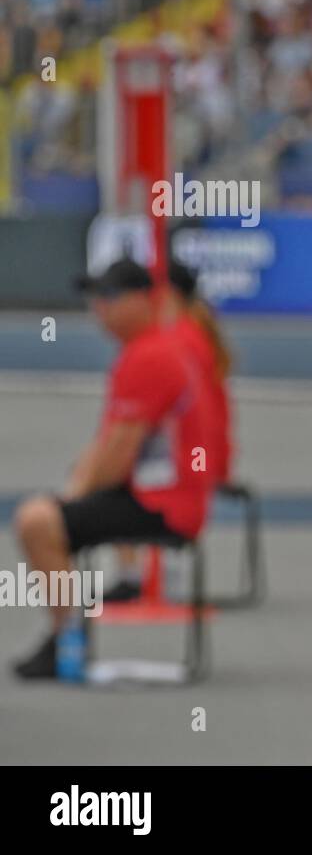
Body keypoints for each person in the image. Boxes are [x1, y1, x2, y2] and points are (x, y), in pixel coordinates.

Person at [11, 258, 215, 679]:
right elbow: (113, 445)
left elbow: (117, 455)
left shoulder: (152, 355)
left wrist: (69, 501)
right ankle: (78, 622)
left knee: (37, 521)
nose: (98, 309)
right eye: (95, 299)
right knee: (56, 509)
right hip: (165, 494)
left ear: (144, 300)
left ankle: (66, 639)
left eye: (109, 297)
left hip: (165, 504)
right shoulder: (154, 348)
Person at [103, 261, 235, 603]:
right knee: (119, 455)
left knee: (115, 465)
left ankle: (136, 573)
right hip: (204, 453)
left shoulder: (182, 339)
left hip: (196, 461)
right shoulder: (192, 333)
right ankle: (136, 570)